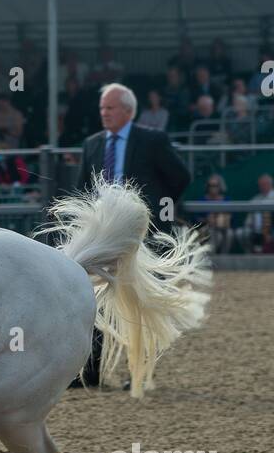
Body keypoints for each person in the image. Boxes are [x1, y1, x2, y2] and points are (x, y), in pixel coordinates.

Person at [75, 83, 191, 389]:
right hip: (103, 238)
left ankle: (139, 375)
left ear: (128, 110)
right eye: (102, 108)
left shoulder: (152, 140)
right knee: (95, 301)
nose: (104, 113)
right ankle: (91, 372)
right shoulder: (93, 144)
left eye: (110, 108)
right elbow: (82, 189)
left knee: (138, 305)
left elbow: (180, 177)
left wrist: (154, 211)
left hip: (142, 237)